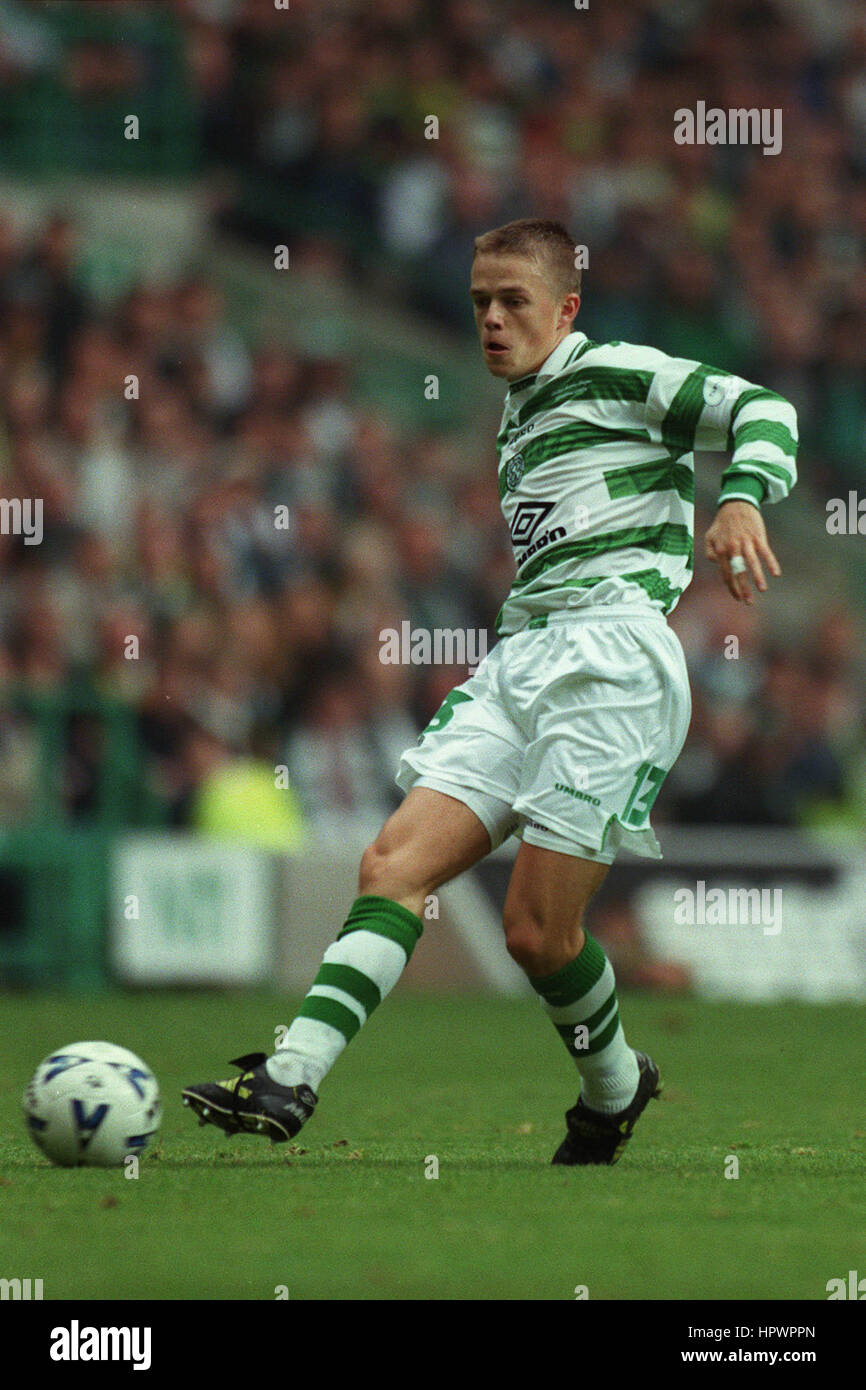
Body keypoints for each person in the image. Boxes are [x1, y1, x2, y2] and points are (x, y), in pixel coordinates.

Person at [182, 219, 797, 1165]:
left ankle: (616, 1086)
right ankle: (291, 1073)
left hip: (613, 666)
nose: (494, 320)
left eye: (514, 301)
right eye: (480, 303)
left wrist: (745, 493)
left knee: (538, 936)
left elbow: (761, 406)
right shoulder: (518, 416)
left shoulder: (617, 373)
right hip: (520, 660)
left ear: (567, 308)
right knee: (392, 864)